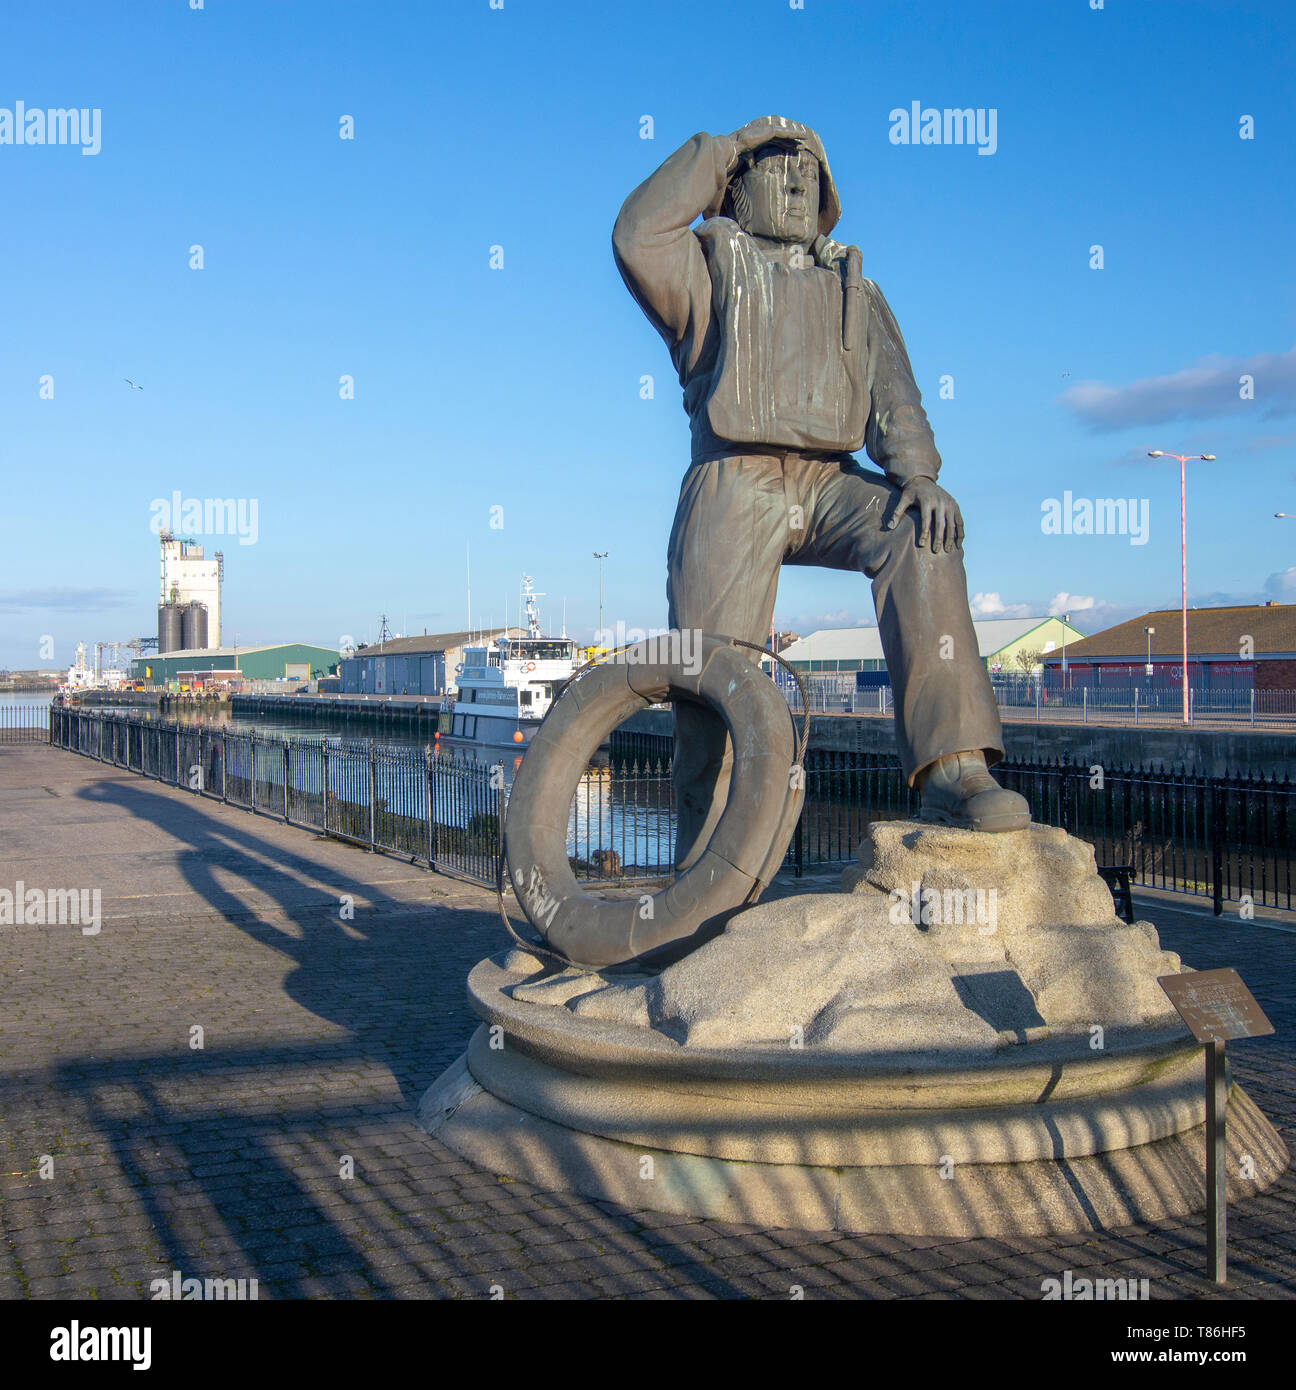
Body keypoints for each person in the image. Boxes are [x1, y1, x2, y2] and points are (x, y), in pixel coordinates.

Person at [612, 115, 1030, 869]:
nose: (801, 180)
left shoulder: (854, 288)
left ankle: (952, 766)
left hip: (829, 480)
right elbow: (636, 233)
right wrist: (727, 146)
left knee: (919, 530)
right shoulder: (707, 270)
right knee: (714, 675)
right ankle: (705, 871)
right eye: (780, 168)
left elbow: (896, 400)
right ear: (736, 190)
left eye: (812, 170)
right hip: (732, 477)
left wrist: (921, 475)